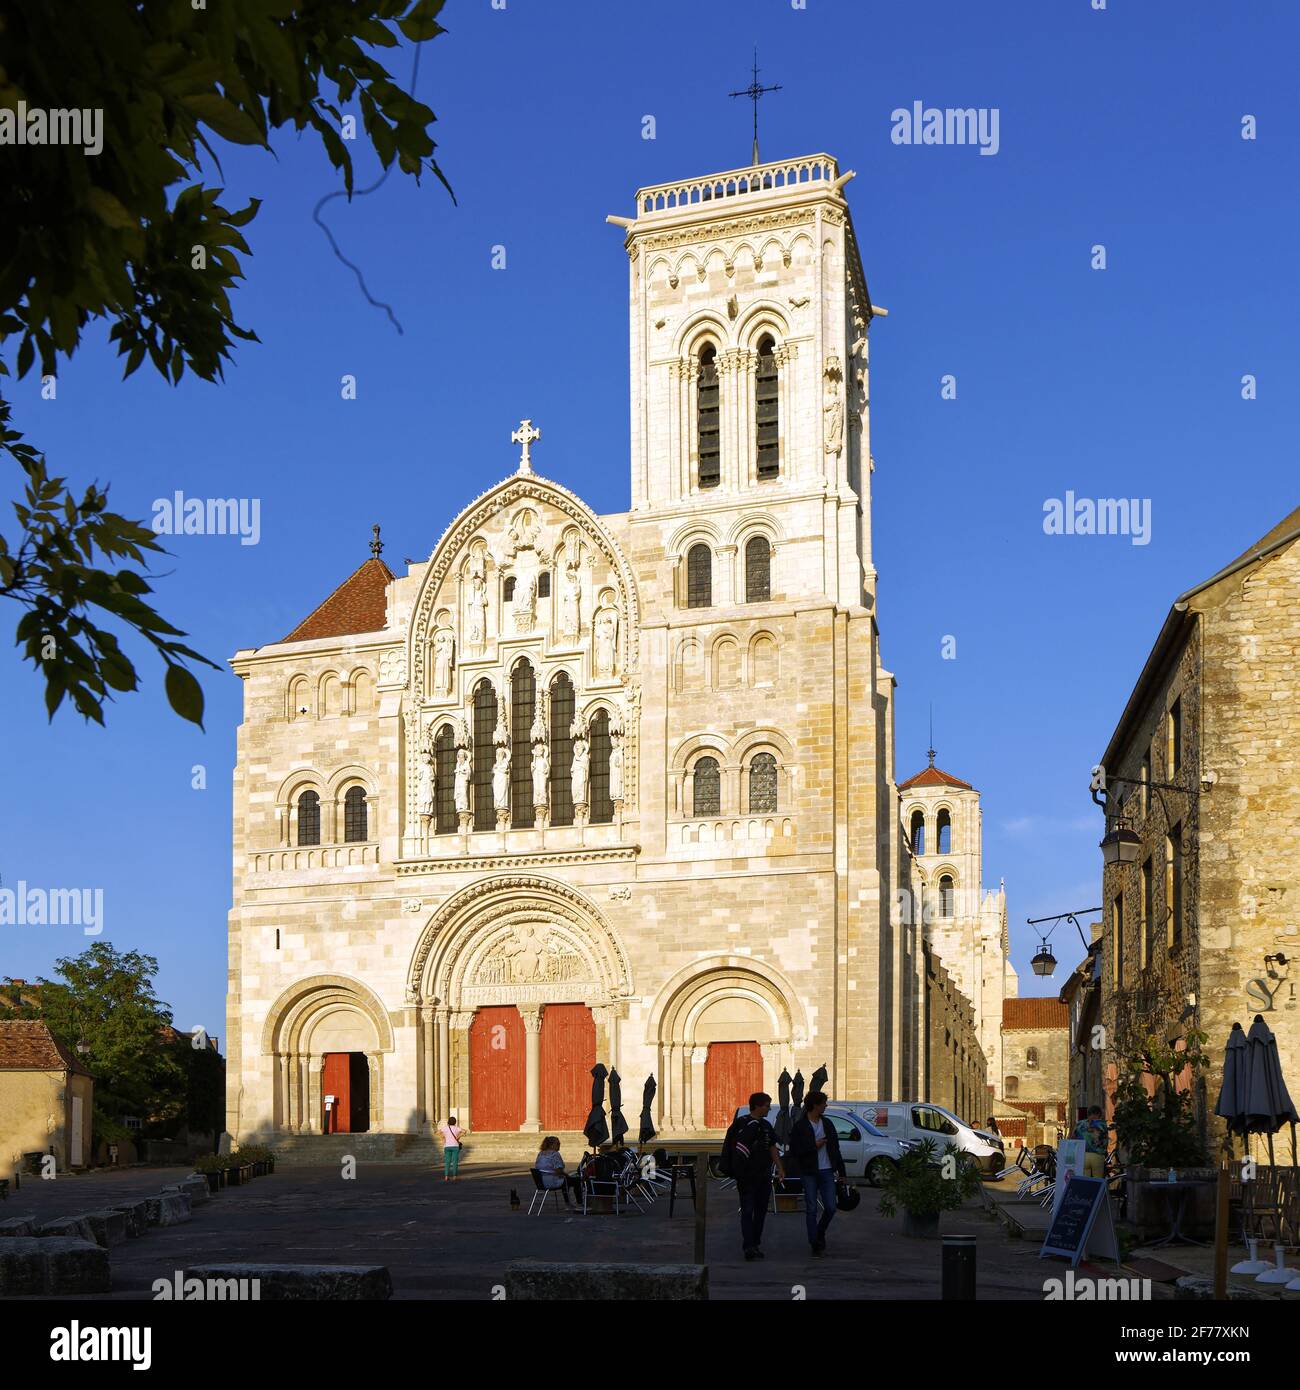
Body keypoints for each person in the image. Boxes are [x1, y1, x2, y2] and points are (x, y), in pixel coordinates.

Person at [723, 1091, 784, 1261]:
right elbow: (736, 1149)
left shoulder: (766, 1126)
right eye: (767, 1106)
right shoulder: (742, 1124)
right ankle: (749, 1246)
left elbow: (772, 1147)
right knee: (747, 1210)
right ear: (757, 1106)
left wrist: (780, 1168)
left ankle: (755, 1243)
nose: (769, 1109)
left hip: (763, 1175)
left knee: (761, 1211)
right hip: (746, 1176)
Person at [786, 1090, 846, 1255]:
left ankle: (820, 1231)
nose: (826, 1106)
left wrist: (842, 1173)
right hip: (809, 1171)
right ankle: (814, 1242)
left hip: (827, 1170)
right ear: (815, 1105)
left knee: (831, 1207)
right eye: (823, 1103)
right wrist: (814, 1146)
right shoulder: (801, 1126)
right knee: (811, 1207)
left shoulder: (827, 1124)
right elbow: (795, 1150)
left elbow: (835, 1149)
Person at [534, 1136, 581, 1206]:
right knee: (576, 1180)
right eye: (558, 1144)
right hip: (551, 1182)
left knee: (566, 1180)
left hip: (541, 1182)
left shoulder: (540, 1154)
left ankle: (568, 1202)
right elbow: (558, 1171)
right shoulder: (555, 1154)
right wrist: (567, 1175)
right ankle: (579, 1203)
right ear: (552, 1145)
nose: (559, 1145)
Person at [1074, 1105, 1108, 1178]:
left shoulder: (1079, 1124)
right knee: (1098, 1180)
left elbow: (1073, 1137)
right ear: (1098, 1114)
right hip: (1097, 1156)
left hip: (1083, 1155)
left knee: (1085, 1180)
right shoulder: (1102, 1124)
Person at [438, 1115, 465, 1182]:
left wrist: (443, 1138)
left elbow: (437, 1132)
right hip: (455, 1146)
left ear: (448, 1122)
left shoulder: (445, 1128)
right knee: (455, 1162)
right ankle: (454, 1177)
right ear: (455, 1122)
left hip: (447, 1146)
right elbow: (464, 1131)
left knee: (447, 1162)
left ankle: (446, 1176)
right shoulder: (457, 1128)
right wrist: (458, 1137)